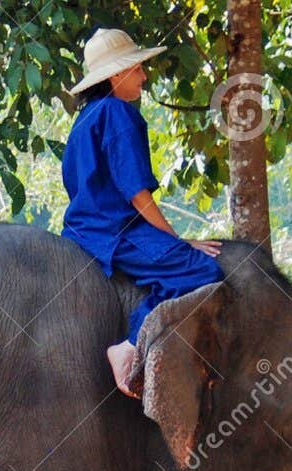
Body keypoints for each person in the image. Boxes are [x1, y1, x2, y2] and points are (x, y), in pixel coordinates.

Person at [61, 28, 225, 398]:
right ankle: (130, 344)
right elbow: (137, 194)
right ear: (117, 74)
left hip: (83, 229)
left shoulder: (84, 119)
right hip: (117, 232)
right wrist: (177, 241)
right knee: (202, 271)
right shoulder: (118, 113)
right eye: (138, 69)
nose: (145, 76)